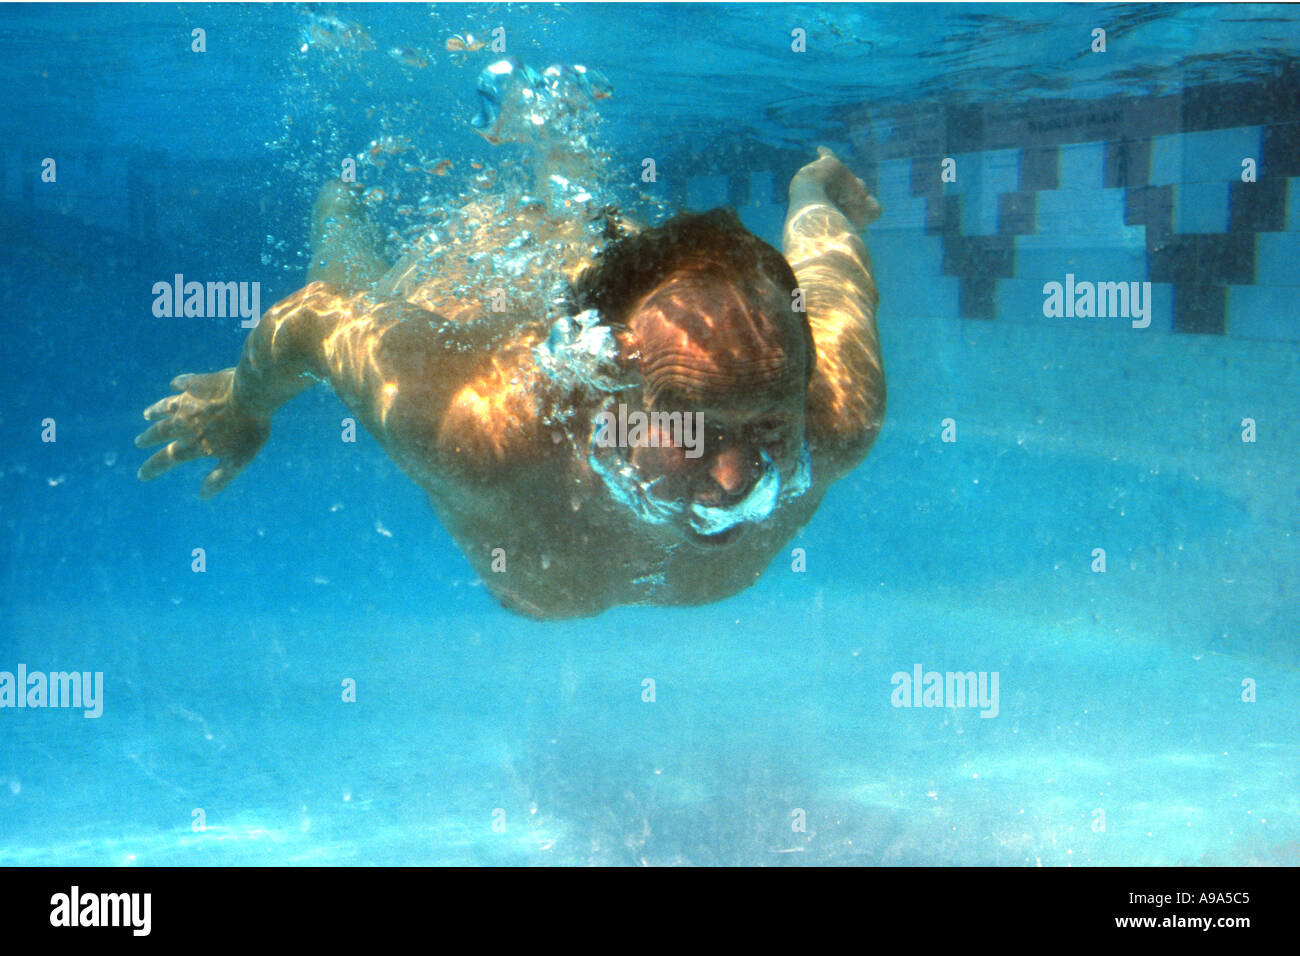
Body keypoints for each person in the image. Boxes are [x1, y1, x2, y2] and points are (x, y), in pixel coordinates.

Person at [136, 136, 885, 619]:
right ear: (606, 382)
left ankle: (571, 168)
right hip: (457, 287)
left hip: (635, 289)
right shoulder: (474, 434)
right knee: (346, 269)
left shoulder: (837, 421)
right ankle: (340, 195)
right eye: (697, 427)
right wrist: (244, 405)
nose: (739, 476)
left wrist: (813, 191)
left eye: (769, 425)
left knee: (600, 227)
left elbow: (829, 279)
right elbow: (317, 317)